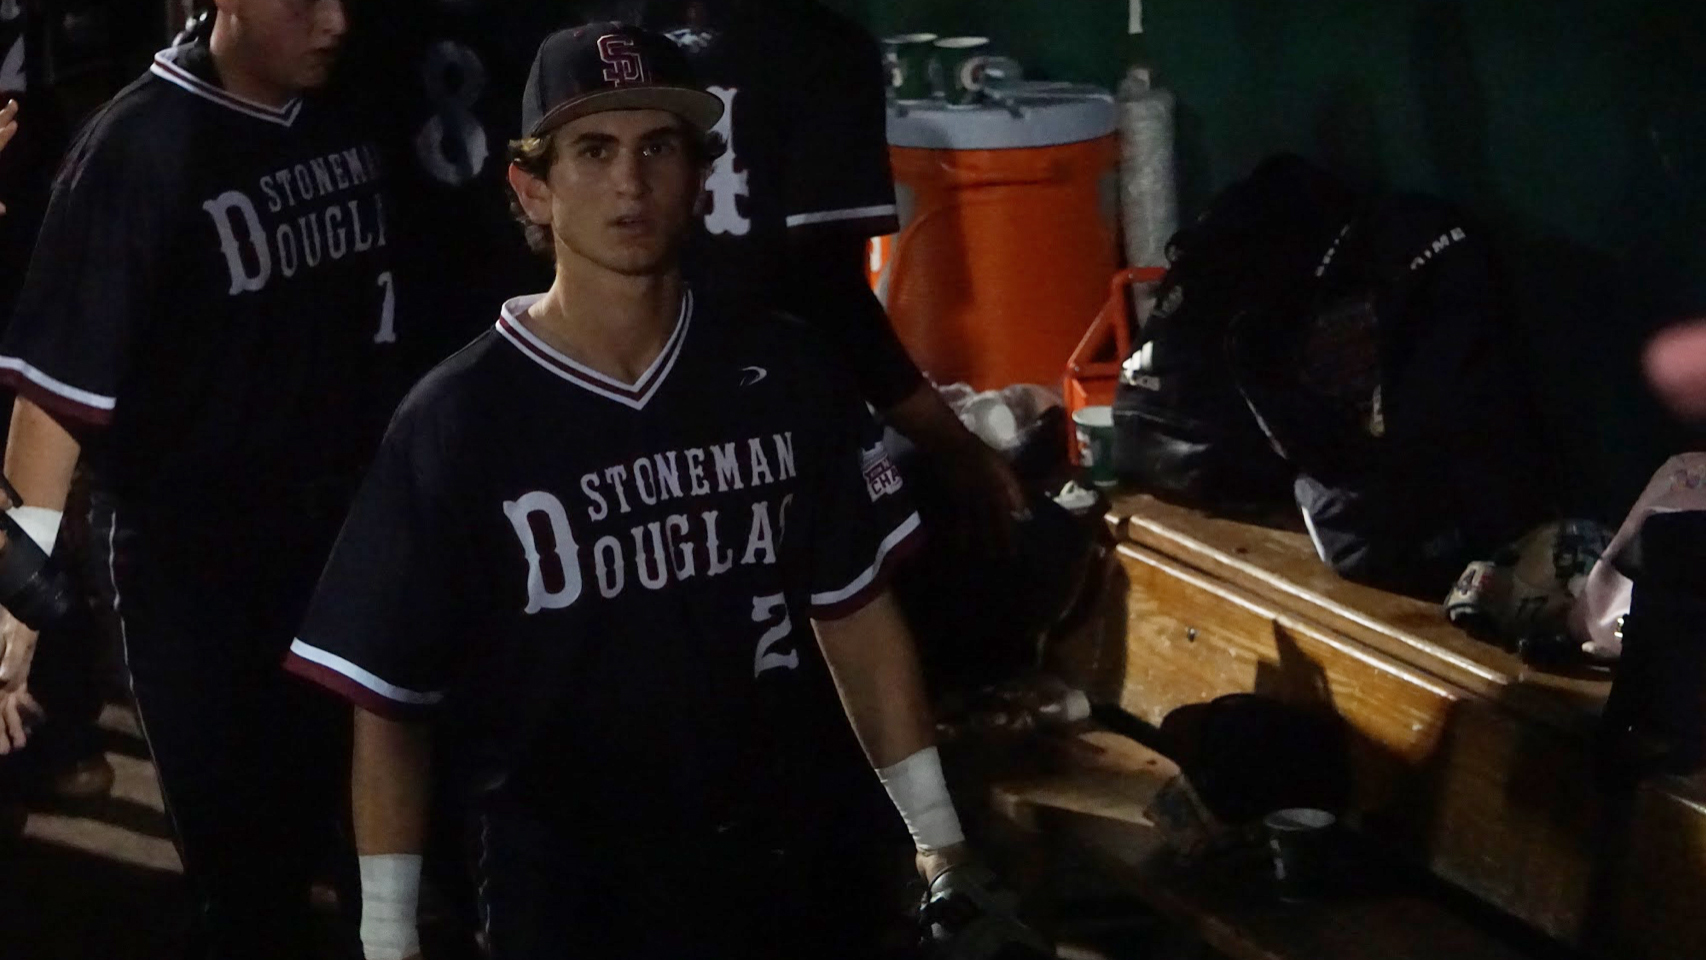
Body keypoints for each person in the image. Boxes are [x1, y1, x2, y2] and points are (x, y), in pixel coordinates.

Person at [284, 23, 972, 959]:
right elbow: (388, 699)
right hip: (568, 884)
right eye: (594, 150)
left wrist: (941, 844)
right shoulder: (457, 421)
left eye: (659, 149)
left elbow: (855, 612)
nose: (630, 183)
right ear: (533, 185)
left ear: (700, 177)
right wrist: (386, 935)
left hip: (779, 853)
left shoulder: (787, 370)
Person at [0, 0, 400, 955]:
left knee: (374, 870)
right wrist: (11, 609)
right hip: (201, 569)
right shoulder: (139, 147)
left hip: (345, 542)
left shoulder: (350, 106)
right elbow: (58, 389)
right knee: (253, 881)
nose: (335, 19)